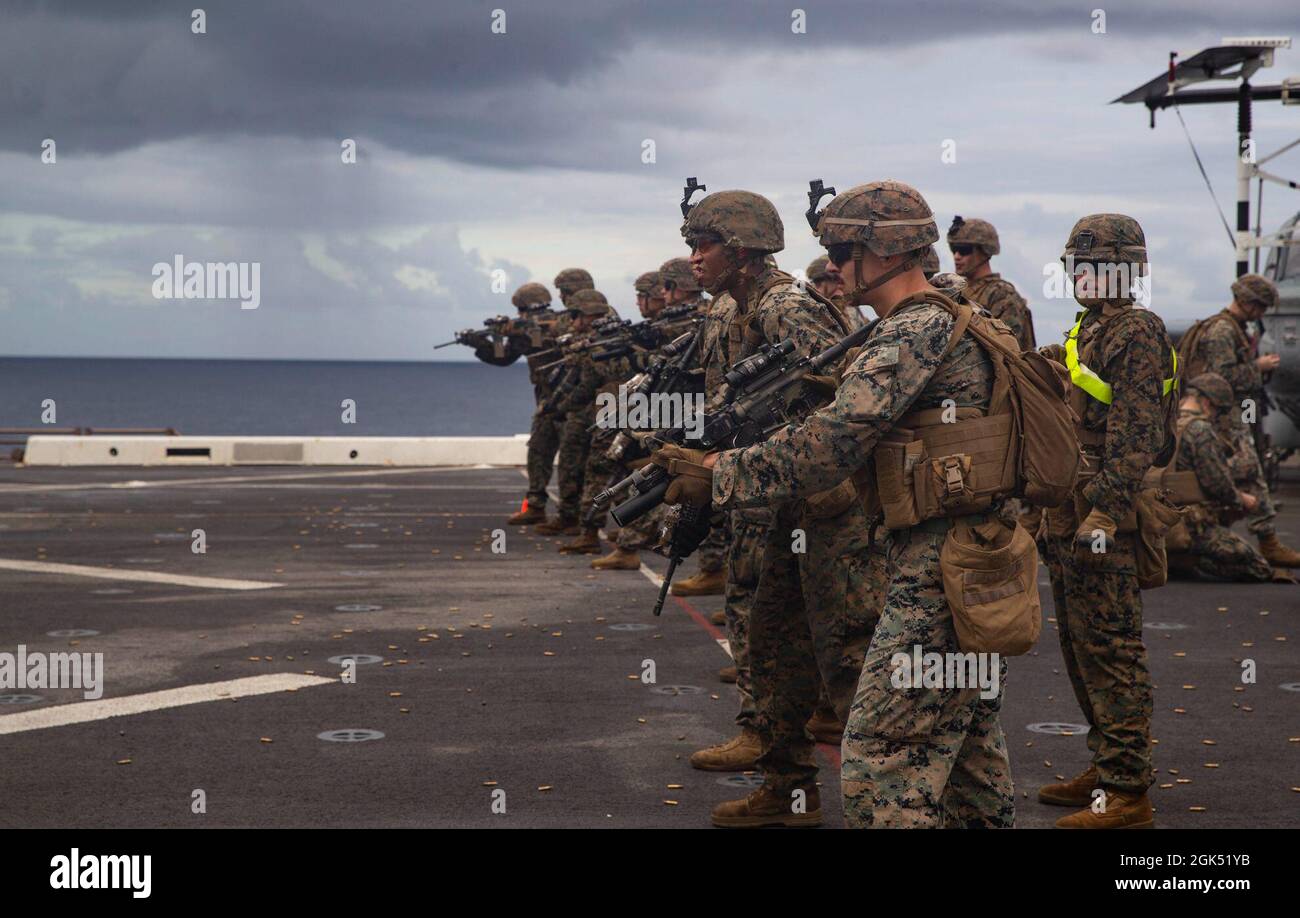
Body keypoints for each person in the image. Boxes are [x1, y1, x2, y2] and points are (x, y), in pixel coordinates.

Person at [657, 180, 1021, 828]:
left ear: (882, 251)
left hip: (938, 572)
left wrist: (723, 474)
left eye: (842, 248)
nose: (832, 264)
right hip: (965, 560)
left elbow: (831, 441)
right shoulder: (943, 317)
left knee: (882, 757)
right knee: (965, 755)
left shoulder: (914, 332)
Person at [1037, 214, 1176, 829]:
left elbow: (1135, 436)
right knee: (1079, 645)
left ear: (1130, 271)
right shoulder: (1089, 329)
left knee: (1112, 650)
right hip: (1069, 512)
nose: (1085, 278)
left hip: (1104, 518)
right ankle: (1106, 765)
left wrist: (1103, 515)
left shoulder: (1136, 331)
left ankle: (1128, 790)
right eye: (1079, 267)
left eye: (1099, 267)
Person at [1176, 274, 1300, 568]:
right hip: (1224, 416)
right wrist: (1258, 366)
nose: (1261, 314)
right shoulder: (1222, 332)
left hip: (1231, 413)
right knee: (1249, 471)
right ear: (1246, 302)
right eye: (1259, 307)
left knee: (1232, 473)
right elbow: (1220, 379)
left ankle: (1214, 535)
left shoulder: (1233, 329)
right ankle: (1266, 540)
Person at [1162, 373, 1284, 583]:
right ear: (1208, 404)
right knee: (1255, 564)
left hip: (1157, 520)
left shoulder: (1165, 421)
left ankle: (1174, 556)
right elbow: (1218, 483)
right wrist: (1242, 499)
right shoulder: (1200, 430)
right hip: (1189, 523)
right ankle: (1186, 557)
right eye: (1218, 411)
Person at [533, 268, 598, 535]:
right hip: (572, 399)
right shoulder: (569, 319)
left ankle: (578, 519)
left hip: (587, 404)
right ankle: (571, 516)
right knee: (571, 460)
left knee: (581, 463)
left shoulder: (594, 315)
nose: (561, 297)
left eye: (565, 292)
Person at [948, 216, 1035, 351]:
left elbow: (1009, 349)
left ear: (985, 251)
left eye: (964, 250)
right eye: (953, 249)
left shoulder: (1002, 295)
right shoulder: (955, 291)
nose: (957, 256)